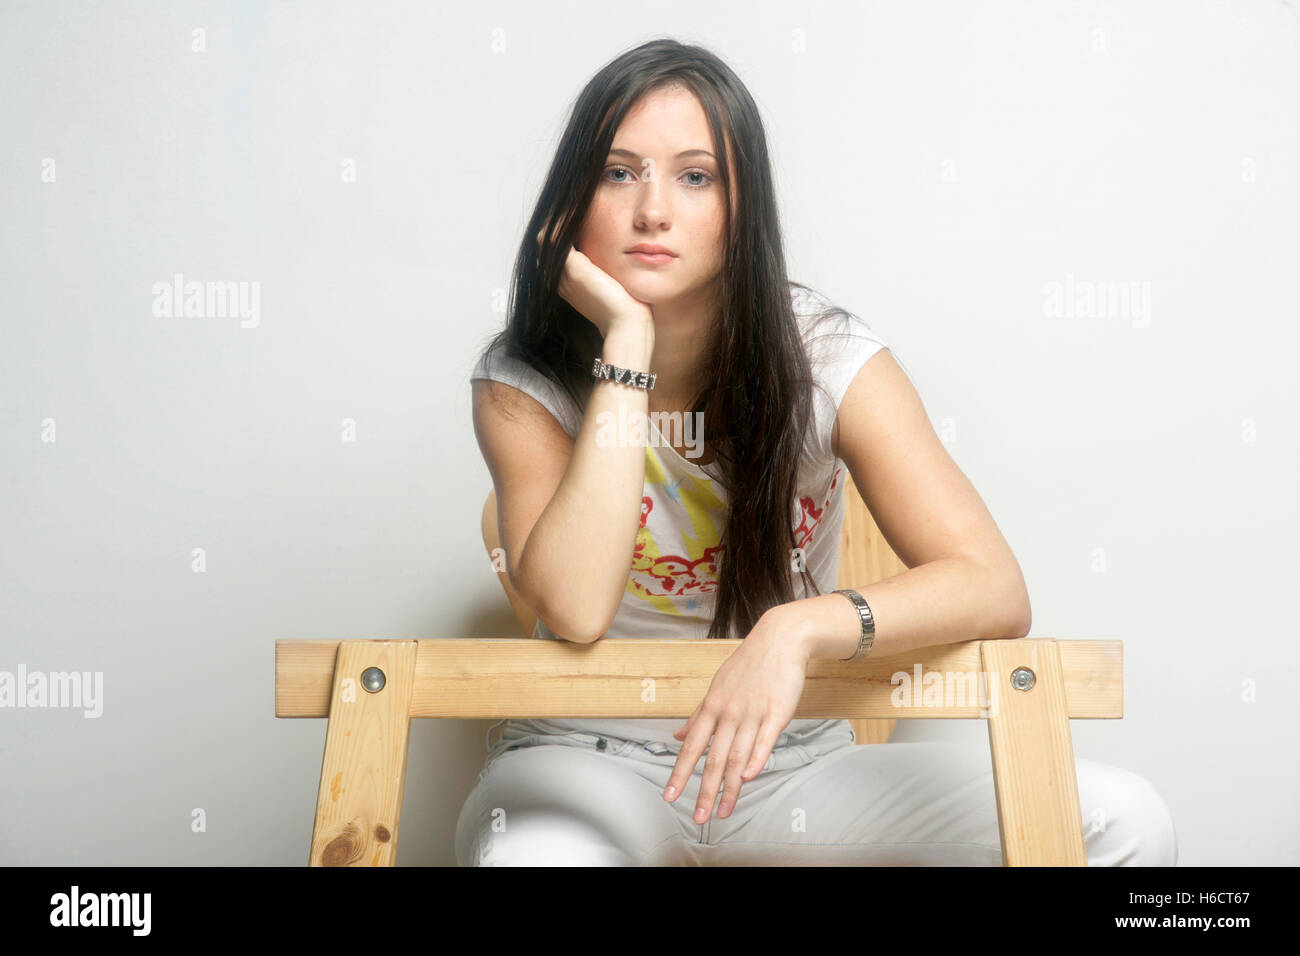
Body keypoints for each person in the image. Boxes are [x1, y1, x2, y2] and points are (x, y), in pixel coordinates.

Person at [456, 38, 1178, 866]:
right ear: (570, 203)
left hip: (789, 776)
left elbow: (994, 586)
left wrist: (799, 630)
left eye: (696, 177)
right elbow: (577, 607)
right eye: (619, 173)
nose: (652, 210)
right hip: (586, 768)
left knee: (1124, 816)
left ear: (742, 206)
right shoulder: (523, 379)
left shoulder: (824, 356)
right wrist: (627, 341)